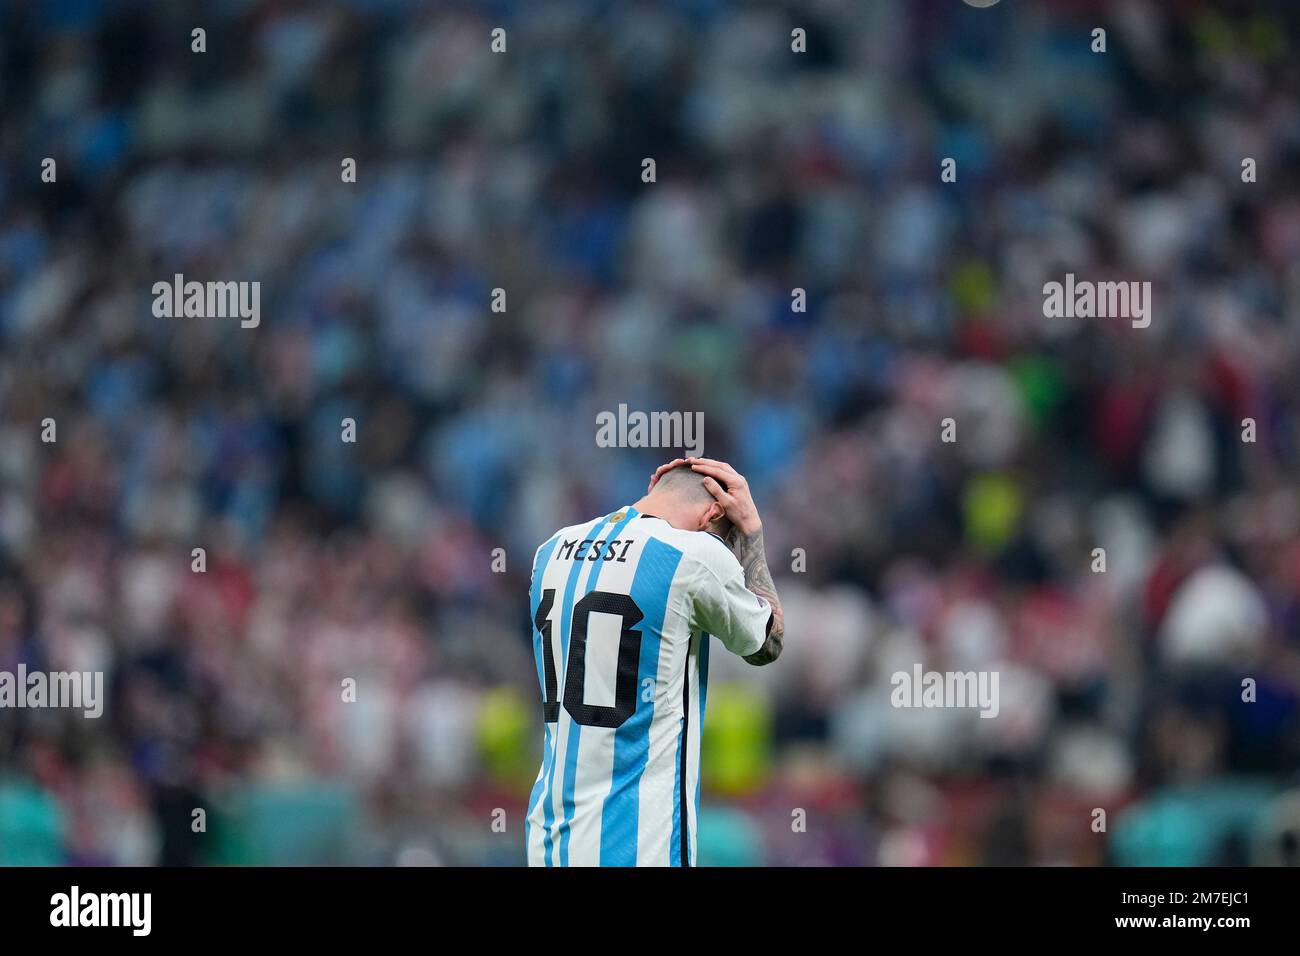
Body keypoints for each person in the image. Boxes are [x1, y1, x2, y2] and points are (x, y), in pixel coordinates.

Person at [524, 457, 784, 866]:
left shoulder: (551, 551)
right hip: (641, 844)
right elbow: (767, 644)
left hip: (550, 841)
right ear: (713, 512)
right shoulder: (692, 554)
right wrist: (750, 533)